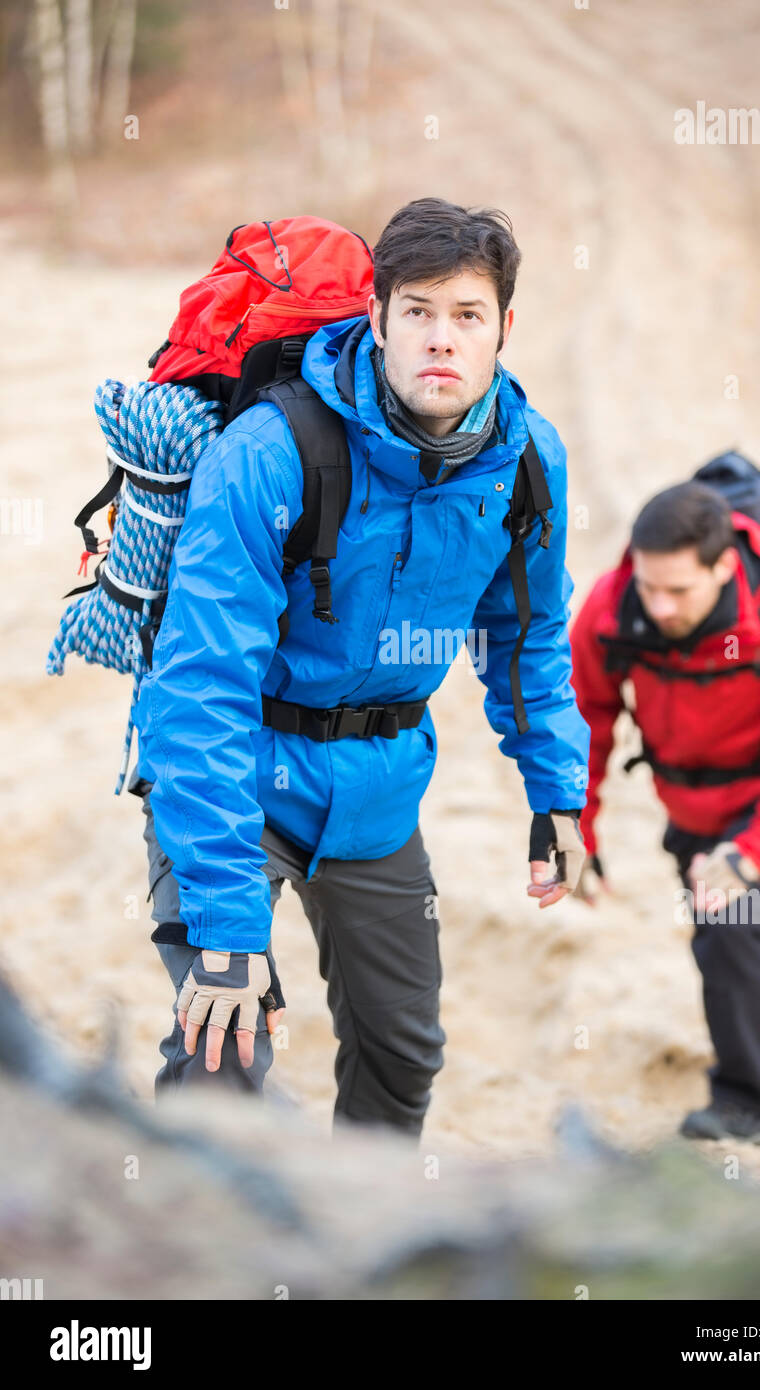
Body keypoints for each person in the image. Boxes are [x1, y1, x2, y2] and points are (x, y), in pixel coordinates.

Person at [127, 197, 590, 1139]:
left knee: (402, 1050)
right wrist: (223, 923)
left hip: (378, 787)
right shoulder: (269, 452)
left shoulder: (527, 460)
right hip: (234, 774)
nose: (440, 340)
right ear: (374, 318)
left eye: (467, 316)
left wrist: (557, 795)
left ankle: (363, 1252)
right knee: (227, 1046)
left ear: (506, 327)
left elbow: (527, 638)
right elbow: (201, 683)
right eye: (415, 311)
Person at [569, 481, 760, 1152]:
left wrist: (754, 852)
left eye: (679, 590)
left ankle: (749, 1106)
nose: (659, 605)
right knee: (726, 941)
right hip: (689, 806)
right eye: (648, 586)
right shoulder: (613, 608)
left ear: (724, 565)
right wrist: (576, 832)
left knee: (727, 925)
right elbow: (584, 720)